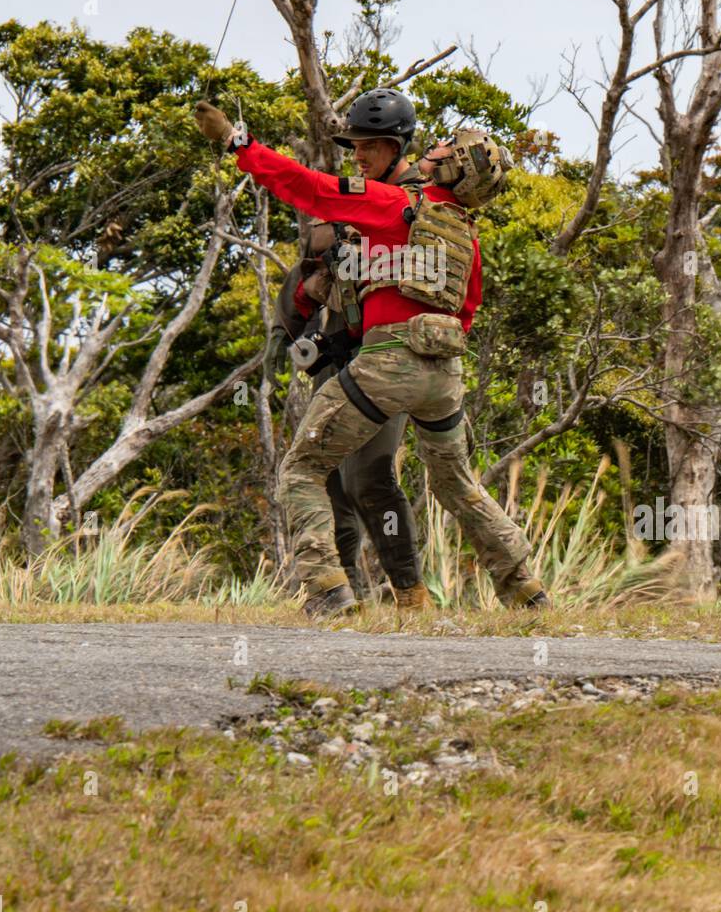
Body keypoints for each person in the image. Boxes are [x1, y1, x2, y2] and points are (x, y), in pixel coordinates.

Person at [195, 99, 549, 618]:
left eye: (446, 146)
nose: (437, 147)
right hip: (445, 376)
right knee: (458, 486)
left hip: (386, 365)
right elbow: (467, 309)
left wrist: (237, 144)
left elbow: (310, 187)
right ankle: (526, 591)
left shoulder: (395, 204)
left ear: (453, 166)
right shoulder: (463, 233)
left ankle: (329, 593)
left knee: (301, 469)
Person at [266, 89, 431, 609]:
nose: (358, 154)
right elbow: (304, 276)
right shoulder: (342, 202)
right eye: (354, 145)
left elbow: (438, 279)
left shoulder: (420, 204)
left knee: (370, 478)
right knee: (329, 480)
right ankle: (337, 595)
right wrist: (305, 296)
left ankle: (409, 593)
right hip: (334, 359)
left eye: (371, 146)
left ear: (398, 146)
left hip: (386, 361)